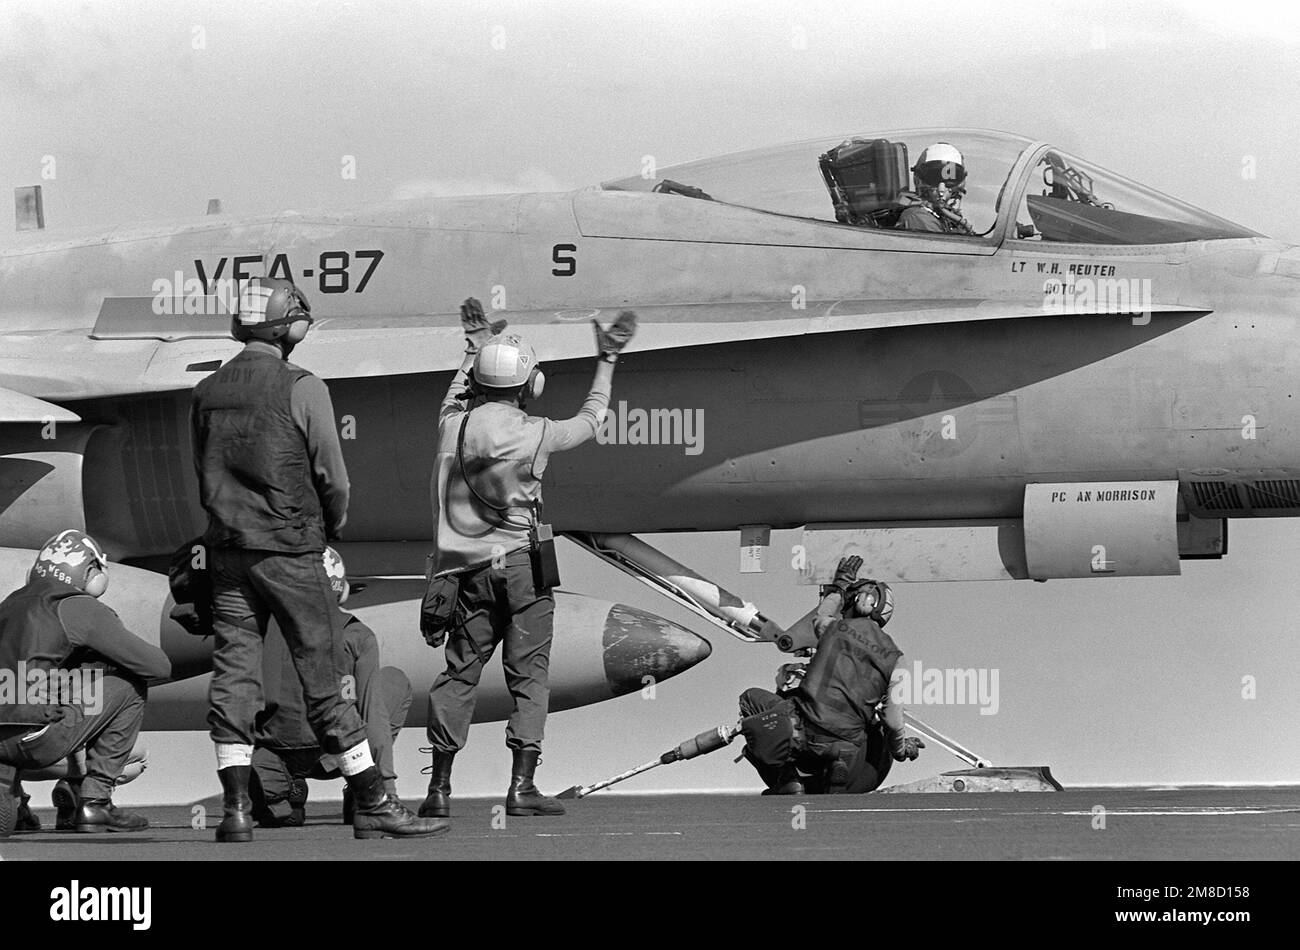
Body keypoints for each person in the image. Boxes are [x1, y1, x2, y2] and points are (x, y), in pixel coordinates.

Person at [190, 276, 445, 842]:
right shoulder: (303, 387)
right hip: (292, 550)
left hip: (229, 555)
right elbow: (333, 475)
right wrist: (329, 527)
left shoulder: (206, 390)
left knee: (234, 675)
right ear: (291, 324)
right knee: (326, 676)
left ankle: (234, 813)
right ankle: (374, 801)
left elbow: (202, 470)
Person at [420, 299, 636, 819]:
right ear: (530, 384)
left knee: (459, 675)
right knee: (529, 675)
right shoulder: (536, 432)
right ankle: (521, 788)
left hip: (465, 575)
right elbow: (592, 418)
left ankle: (439, 791)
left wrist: (475, 345)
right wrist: (606, 359)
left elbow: (457, 392)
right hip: (521, 568)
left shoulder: (452, 426)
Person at [170, 540, 412, 827]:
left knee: (277, 812)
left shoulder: (252, 629)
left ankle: (285, 798)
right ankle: (363, 792)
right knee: (394, 681)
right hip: (337, 752)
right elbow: (374, 719)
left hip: (270, 756)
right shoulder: (357, 635)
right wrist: (384, 791)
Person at [0, 530, 169, 836]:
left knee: (33, 687)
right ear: (88, 569)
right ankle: (95, 801)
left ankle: (18, 802)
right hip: (37, 737)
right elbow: (157, 666)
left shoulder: (9, 605)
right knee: (130, 685)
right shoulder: (75, 606)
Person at [736, 556, 924, 794]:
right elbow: (893, 721)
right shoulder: (898, 659)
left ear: (862, 601)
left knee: (750, 698)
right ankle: (837, 772)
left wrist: (839, 585)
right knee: (873, 728)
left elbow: (822, 615)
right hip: (849, 750)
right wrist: (901, 749)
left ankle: (787, 778)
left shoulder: (834, 628)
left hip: (804, 732)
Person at [897, 142, 974, 234]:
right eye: (933, 178)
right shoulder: (918, 217)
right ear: (919, 180)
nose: (941, 188)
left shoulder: (945, 216)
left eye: (950, 180)